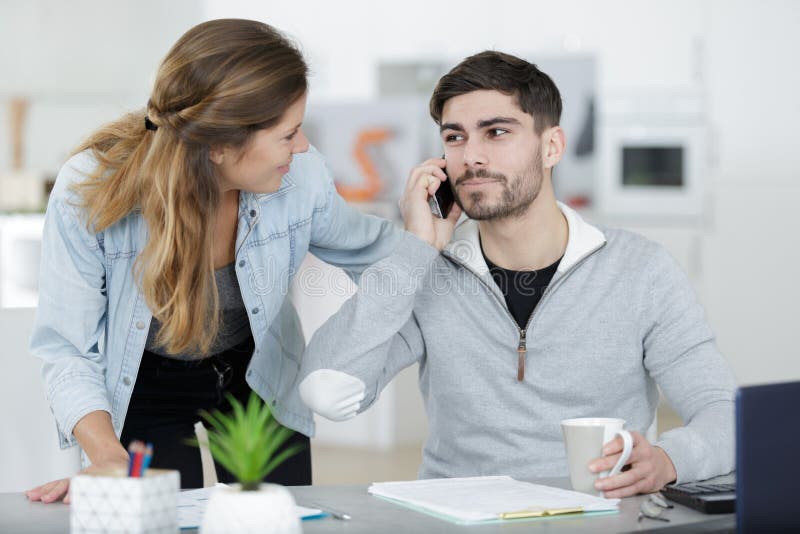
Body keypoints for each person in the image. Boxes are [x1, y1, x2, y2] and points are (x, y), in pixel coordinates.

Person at [298, 51, 737, 498]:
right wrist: (415, 250)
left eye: (497, 132)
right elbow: (326, 392)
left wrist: (668, 460)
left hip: (598, 515)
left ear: (552, 147)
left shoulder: (640, 269)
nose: (471, 157)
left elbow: (724, 412)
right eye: (455, 137)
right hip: (458, 519)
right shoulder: (428, 273)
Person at [25, 18, 403, 502]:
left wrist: (440, 240)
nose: (303, 147)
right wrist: (108, 457)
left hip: (257, 372)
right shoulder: (90, 191)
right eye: (288, 134)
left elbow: (381, 258)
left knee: (275, 518)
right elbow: (66, 348)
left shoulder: (302, 177)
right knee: (158, 518)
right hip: (146, 381)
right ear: (219, 145)